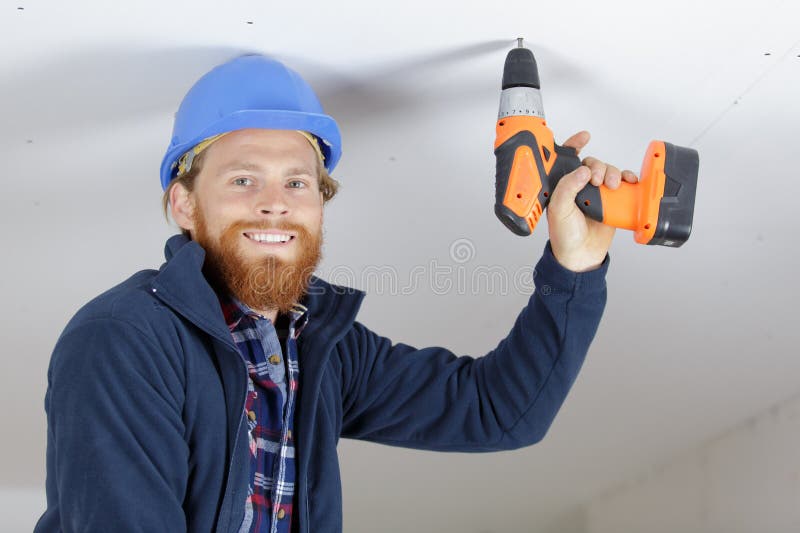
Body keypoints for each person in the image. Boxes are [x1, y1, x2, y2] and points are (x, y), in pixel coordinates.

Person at [35, 55, 637, 533]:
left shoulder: (322, 349)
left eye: (298, 181)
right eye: (243, 179)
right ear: (185, 204)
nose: (275, 201)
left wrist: (575, 263)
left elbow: (500, 412)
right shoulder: (125, 341)